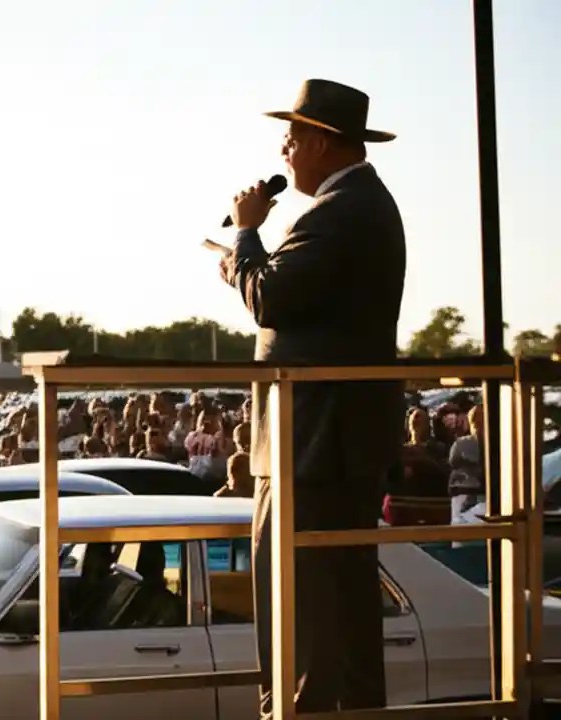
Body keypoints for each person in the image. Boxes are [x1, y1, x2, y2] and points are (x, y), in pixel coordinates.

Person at [220, 79, 404, 714]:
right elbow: (295, 296)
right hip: (330, 444)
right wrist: (248, 262)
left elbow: (272, 298)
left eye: (293, 138)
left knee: (300, 610)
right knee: (341, 613)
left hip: (312, 445)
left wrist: (246, 237)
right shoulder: (359, 205)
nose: (284, 150)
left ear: (323, 143)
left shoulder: (340, 210)